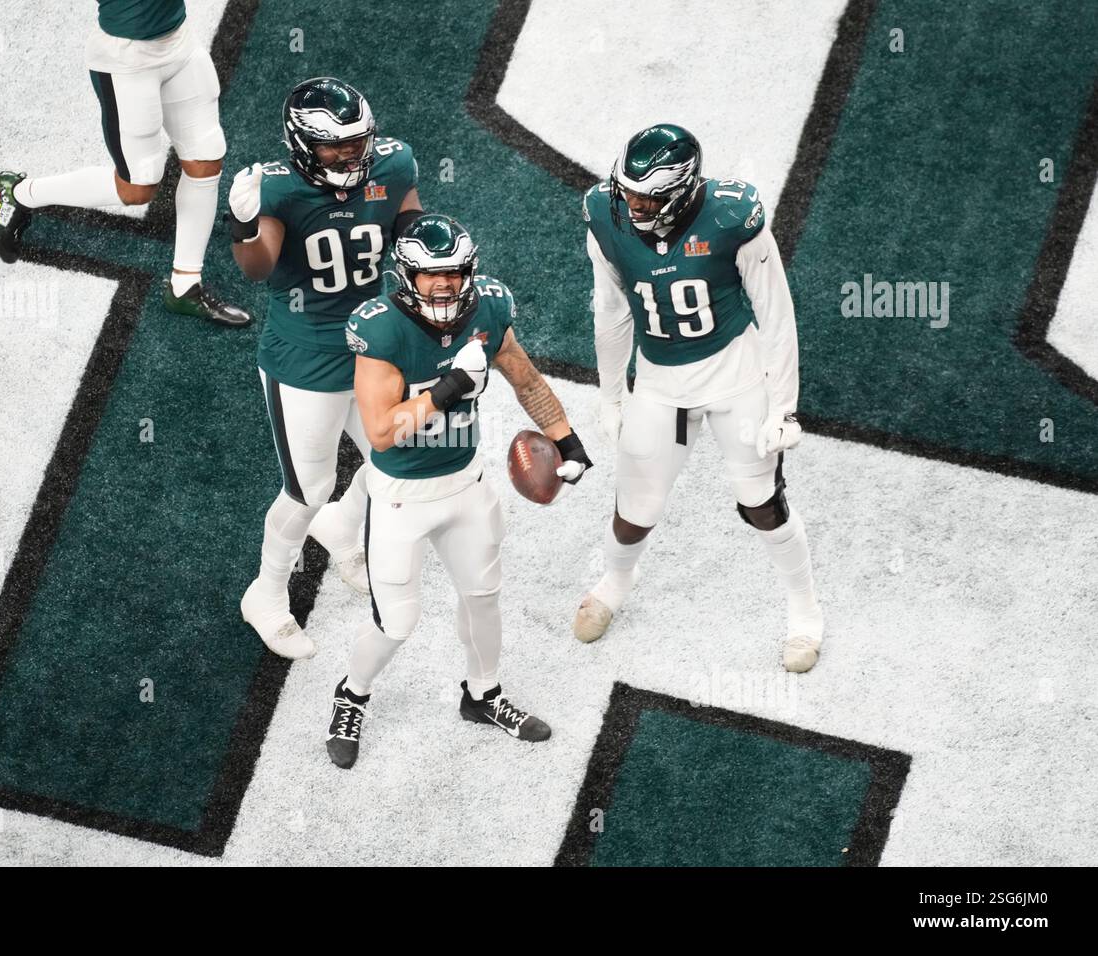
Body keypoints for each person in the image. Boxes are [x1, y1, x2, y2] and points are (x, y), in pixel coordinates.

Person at [325, 214, 593, 769]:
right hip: (400, 496)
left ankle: (483, 695)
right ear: (406, 276)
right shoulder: (381, 329)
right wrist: (450, 389)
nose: (443, 285)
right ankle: (352, 694)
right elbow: (379, 431)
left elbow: (524, 377)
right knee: (396, 621)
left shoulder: (489, 308)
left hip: (467, 486)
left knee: (483, 597)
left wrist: (566, 441)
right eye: (430, 275)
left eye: (452, 272)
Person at [576, 123, 823, 672]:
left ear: (683, 190)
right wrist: (611, 395)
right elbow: (611, 311)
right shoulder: (605, 213)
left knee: (759, 501)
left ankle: (805, 611)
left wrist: (784, 406)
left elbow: (776, 314)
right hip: (661, 382)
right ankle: (616, 581)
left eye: (648, 196)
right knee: (635, 509)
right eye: (629, 191)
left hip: (735, 374)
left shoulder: (733, 217)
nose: (634, 204)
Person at [228, 77, 422, 659]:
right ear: (303, 144)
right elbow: (258, 269)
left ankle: (342, 527)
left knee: (402, 459)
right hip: (305, 356)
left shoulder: (393, 164)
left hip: (372, 343)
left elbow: (409, 227)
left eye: (360, 140)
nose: (353, 153)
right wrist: (243, 225)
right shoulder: (281, 190)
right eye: (338, 145)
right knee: (308, 487)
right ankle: (264, 593)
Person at [0, 0, 249, 327]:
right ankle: (20, 193)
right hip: (127, 61)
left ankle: (185, 285)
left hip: (179, 44)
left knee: (206, 159)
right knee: (136, 188)